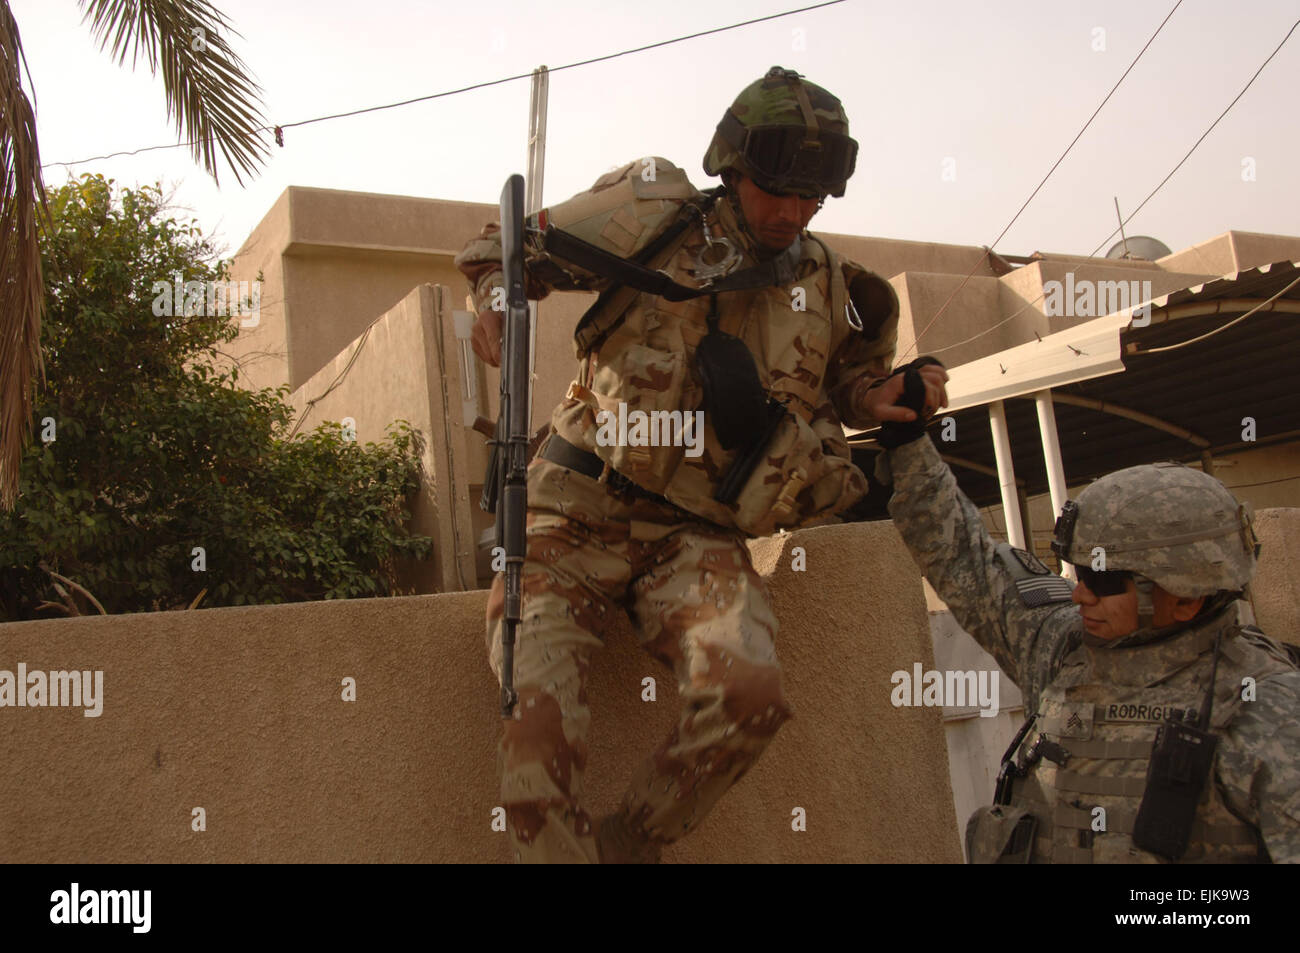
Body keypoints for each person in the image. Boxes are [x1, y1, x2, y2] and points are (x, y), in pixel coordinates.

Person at [455, 67, 932, 863]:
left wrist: (879, 395)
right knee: (534, 728)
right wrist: (497, 300)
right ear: (732, 170)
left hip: (694, 534)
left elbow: (854, 382)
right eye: (775, 189)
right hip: (572, 511)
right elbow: (500, 253)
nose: (792, 211)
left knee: (748, 695)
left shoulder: (831, 283)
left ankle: (626, 845)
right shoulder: (652, 217)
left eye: (811, 196)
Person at [877, 363, 1300, 863]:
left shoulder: (1269, 715)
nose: (1078, 596)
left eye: (1102, 581)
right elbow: (964, 556)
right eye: (1079, 573)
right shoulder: (1063, 651)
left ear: (1185, 597)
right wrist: (906, 436)